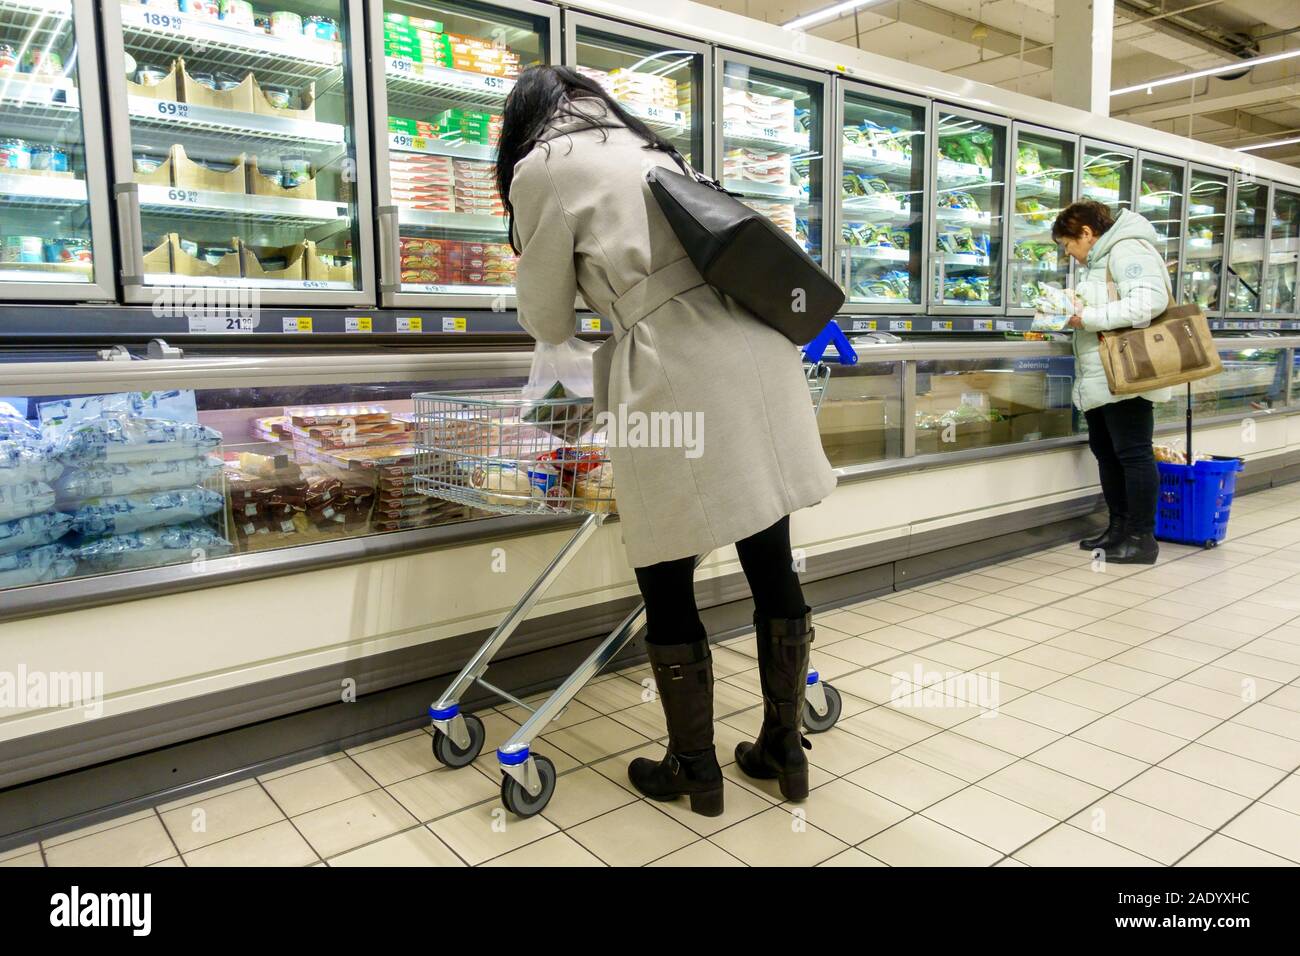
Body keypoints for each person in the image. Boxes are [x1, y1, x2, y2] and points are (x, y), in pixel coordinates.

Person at [496, 65, 837, 816]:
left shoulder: (542, 168)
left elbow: (547, 317)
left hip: (674, 369)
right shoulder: (652, 147)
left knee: (665, 564)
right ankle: (783, 748)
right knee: (767, 551)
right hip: (758, 351)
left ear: (525, 121)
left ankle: (695, 769)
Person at [1052, 199, 1173, 564]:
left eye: (1068, 245)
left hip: (1128, 373)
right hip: (1102, 376)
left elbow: (1148, 303)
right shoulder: (1100, 261)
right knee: (1107, 453)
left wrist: (1085, 316)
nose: (1069, 254)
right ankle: (1118, 529)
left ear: (1086, 233)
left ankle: (1141, 538)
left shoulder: (1127, 249)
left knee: (1133, 454)